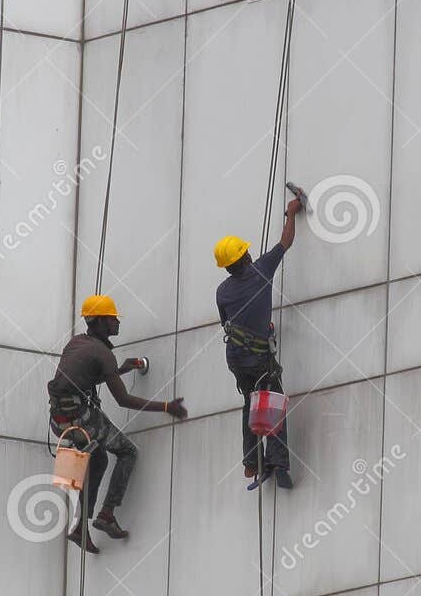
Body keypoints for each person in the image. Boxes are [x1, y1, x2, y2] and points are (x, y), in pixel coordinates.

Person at [47, 294, 188, 552]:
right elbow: (123, 400)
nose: (118, 323)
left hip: (60, 422)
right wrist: (166, 407)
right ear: (100, 321)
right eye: (113, 319)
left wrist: (119, 371)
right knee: (127, 451)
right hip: (83, 420)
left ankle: (81, 527)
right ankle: (106, 514)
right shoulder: (102, 353)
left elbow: (84, 378)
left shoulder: (77, 344)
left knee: (99, 458)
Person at [214, 191, 304, 489]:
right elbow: (286, 242)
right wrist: (291, 212)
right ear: (246, 256)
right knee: (271, 401)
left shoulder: (223, 291)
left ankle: (252, 462)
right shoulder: (261, 270)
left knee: (250, 401)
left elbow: (228, 321)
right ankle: (278, 464)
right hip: (257, 357)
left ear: (227, 266)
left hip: (236, 358)